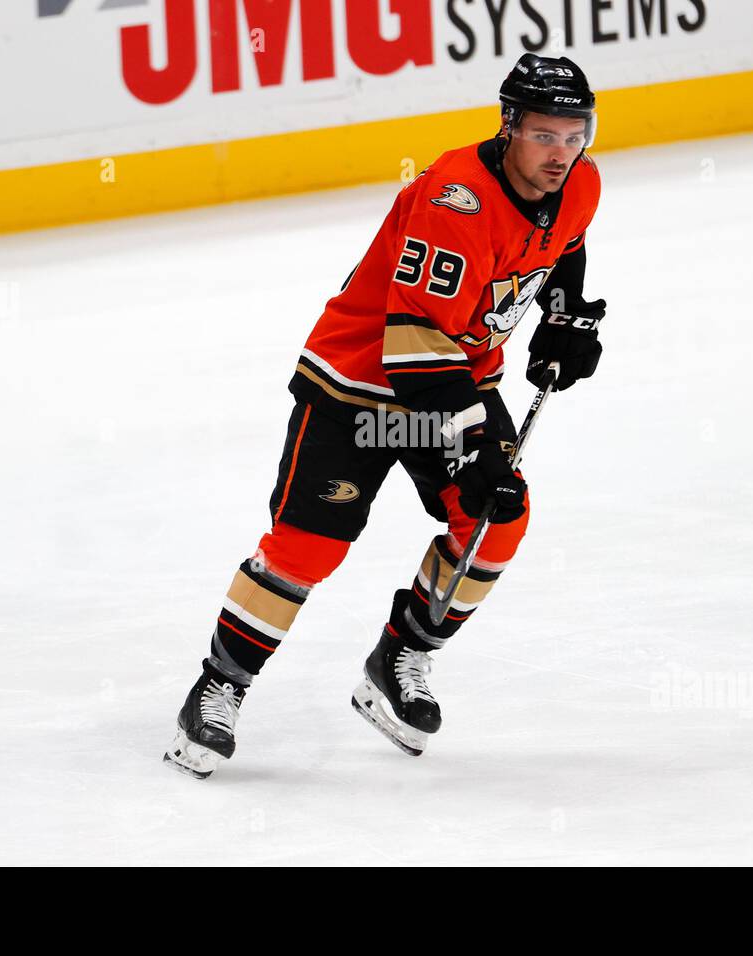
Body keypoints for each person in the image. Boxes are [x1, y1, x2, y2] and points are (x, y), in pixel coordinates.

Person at [164, 53, 607, 778]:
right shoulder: (454, 198)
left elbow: (565, 246)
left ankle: (399, 656)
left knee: (496, 519)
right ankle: (218, 689)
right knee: (308, 547)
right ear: (508, 129)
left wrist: (562, 318)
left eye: (573, 134)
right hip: (358, 388)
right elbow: (415, 350)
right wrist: (478, 444)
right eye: (544, 135)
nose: (561, 153)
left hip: (452, 380)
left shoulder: (581, 183)